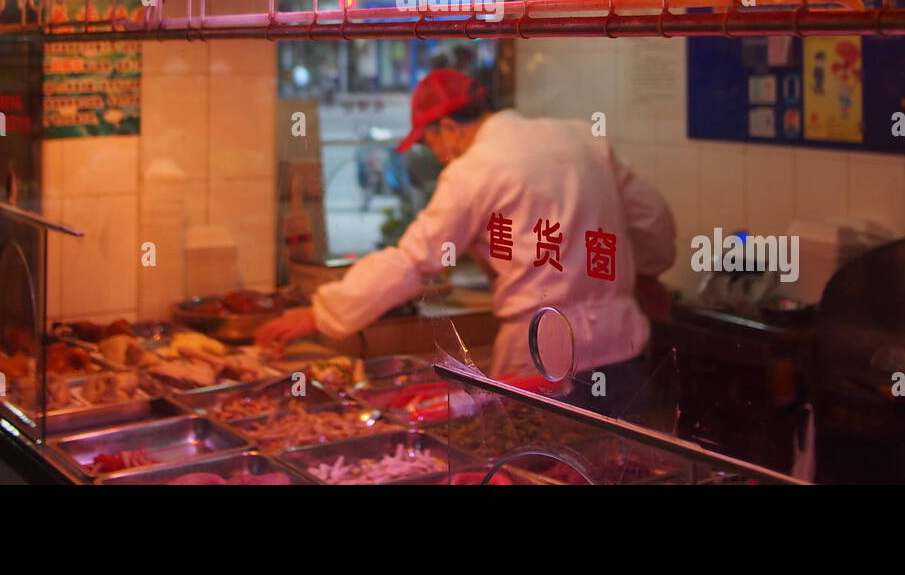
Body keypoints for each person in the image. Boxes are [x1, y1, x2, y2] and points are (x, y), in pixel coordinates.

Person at [257, 69, 675, 386]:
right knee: (624, 462)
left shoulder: (474, 169)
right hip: (623, 343)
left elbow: (413, 261)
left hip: (544, 358)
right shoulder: (583, 138)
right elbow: (651, 216)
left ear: (449, 128)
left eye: (431, 143)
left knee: (538, 465)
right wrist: (647, 272)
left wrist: (322, 312)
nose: (438, 156)